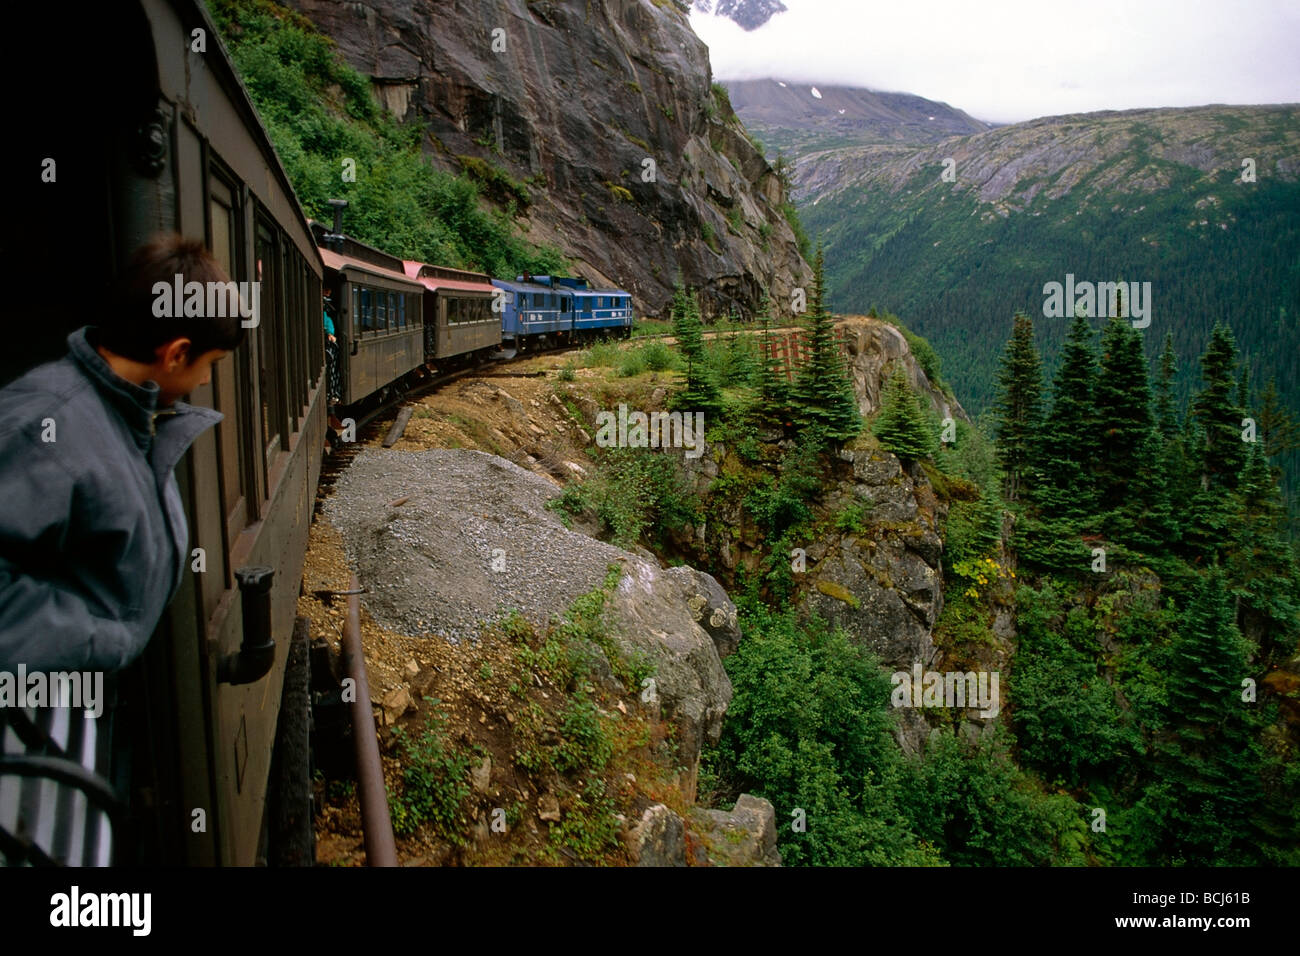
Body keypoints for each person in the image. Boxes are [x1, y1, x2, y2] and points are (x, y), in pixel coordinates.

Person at [0, 234, 243, 672]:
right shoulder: (44, 426)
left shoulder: (124, 411)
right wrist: (107, 641)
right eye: (212, 364)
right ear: (177, 353)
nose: (206, 381)